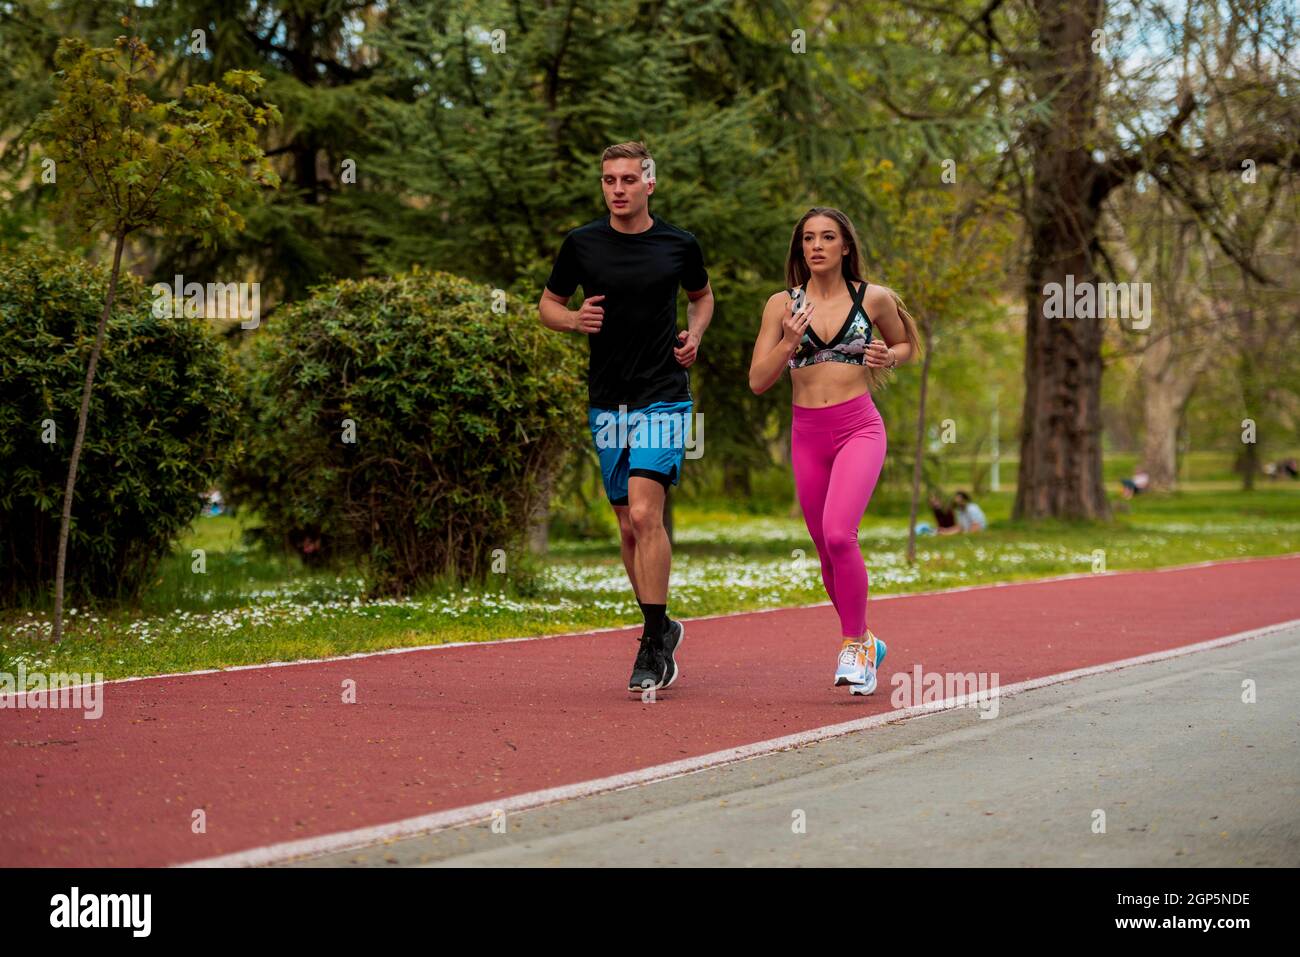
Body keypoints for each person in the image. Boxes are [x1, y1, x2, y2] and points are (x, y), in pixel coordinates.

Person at [538, 141, 714, 694]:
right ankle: (662, 627)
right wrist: (572, 319)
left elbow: (702, 297)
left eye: (628, 180)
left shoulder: (679, 244)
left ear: (649, 185)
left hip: (663, 393)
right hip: (607, 399)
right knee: (625, 523)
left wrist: (696, 336)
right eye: (609, 180)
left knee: (645, 512)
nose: (618, 189)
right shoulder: (582, 244)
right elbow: (547, 305)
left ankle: (650, 642)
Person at [749, 206, 921, 696]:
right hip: (807, 434)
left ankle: (852, 646)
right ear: (800, 247)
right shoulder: (781, 304)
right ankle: (867, 642)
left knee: (840, 534)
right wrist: (787, 342)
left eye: (828, 237)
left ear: (846, 246)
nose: (817, 246)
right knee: (825, 546)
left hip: (858, 428)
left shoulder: (875, 298)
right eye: (808, 238)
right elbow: (758, 381)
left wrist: (890, 355)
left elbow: (906, 345)